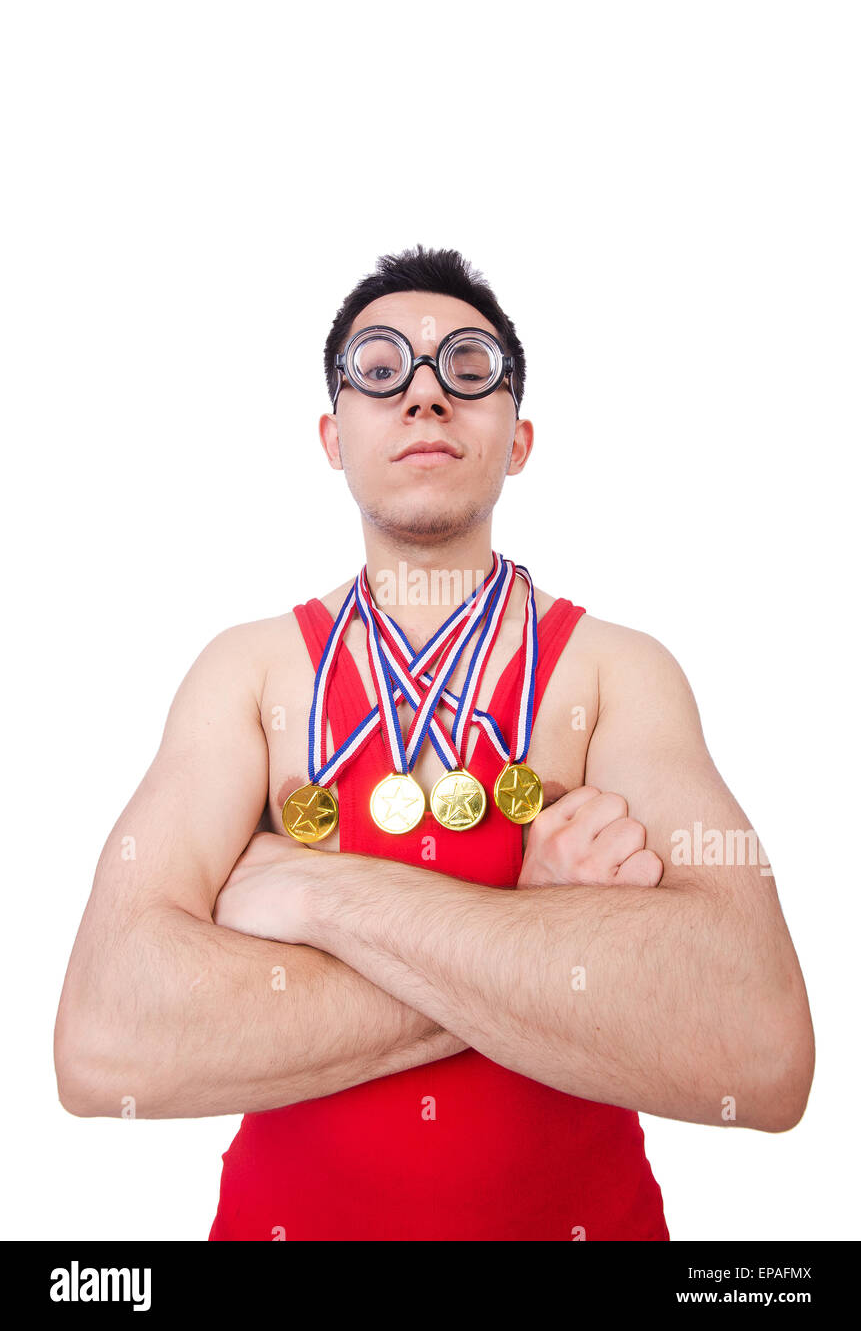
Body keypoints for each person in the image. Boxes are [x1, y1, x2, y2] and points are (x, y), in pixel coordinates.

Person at [54, 245, 815, 1242]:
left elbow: (757, 1051)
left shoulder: (615, 672)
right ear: (332, 435)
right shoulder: (247, 674)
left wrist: (317, 895)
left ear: (520, 437)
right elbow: (105, 1046)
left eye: (467, 368)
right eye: (381, 369)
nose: (425, 396)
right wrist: (539, 935)